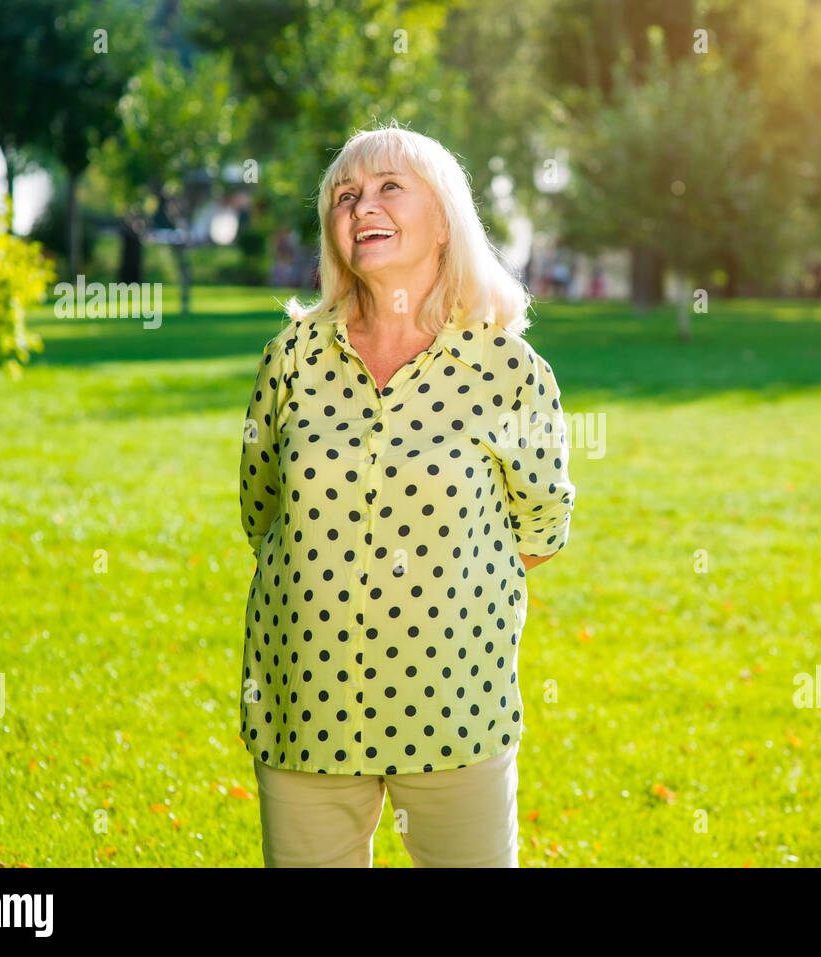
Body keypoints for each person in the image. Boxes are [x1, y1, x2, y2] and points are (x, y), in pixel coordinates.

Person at [238, 122, 576, 867]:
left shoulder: (510, 371)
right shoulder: (291, 358)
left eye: (389, 187)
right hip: (305, 706)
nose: (362, 206)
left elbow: (542, 529)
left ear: (446, 218)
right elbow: (260, 509)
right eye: (345, 196)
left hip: (456, 712)